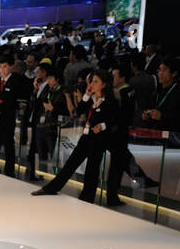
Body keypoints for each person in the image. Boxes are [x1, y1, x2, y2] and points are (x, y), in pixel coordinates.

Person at [32, 72, 118, 204]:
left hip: (99, 139)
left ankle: (86, 198)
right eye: (91, 82)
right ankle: (51, 188)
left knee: (91, 170)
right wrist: (87, 95)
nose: (92, 85)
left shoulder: (111, 101)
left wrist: (103, 125)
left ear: (104, 84)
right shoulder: (91, 99)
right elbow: (78, 111)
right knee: (70, 164)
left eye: (95, 82)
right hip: (86, 137)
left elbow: (115, 120)